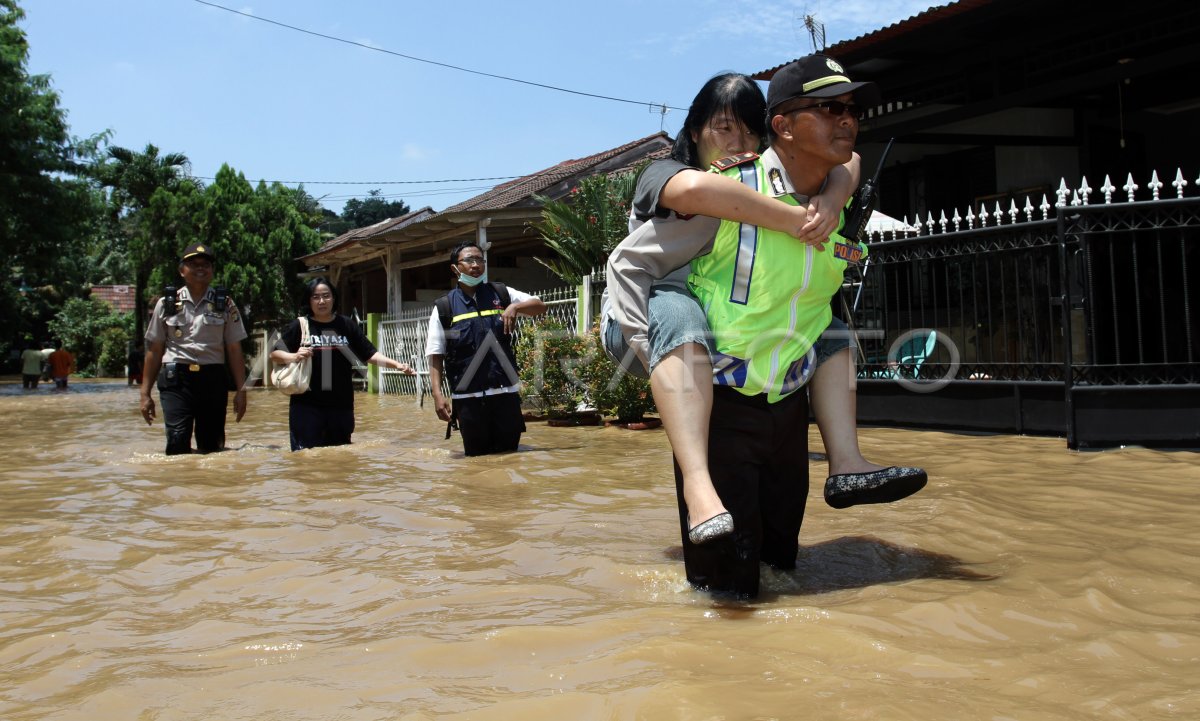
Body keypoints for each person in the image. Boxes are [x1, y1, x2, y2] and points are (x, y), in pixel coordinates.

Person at [608, 54, 926, 597]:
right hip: (699, 373)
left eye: (851, 110)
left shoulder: (836, 190)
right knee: (728, 594)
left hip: (785, 397)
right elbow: (644, 248)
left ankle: (846, 464)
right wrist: (800, 220)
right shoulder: (709, 192)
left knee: (782, 568)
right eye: (829, 109)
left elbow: (851, 165)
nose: (847, 120)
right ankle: (698, 486)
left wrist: (831, 200)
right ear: (785, 126)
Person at [425, 242, 546, 456]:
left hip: (506, 394)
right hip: (468, 399)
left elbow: (540, 306)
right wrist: (437, 394)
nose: (476, 265)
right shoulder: (444, 307)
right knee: (476, 461)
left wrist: (515, 306)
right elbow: (436, 353)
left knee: (510, 458)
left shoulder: (501, 293)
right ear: (455, 268)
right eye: (469, 260)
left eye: (480, 260)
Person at [270, 277, 416, 451]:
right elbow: (274, 354)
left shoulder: (346, 325)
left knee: (340, 457)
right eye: (316, 297)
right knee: (305, 457)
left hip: (341, 406)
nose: (322, 301)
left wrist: (397, 365)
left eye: (326, 296)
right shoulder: (300, 326)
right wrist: (293, 356)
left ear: (334, 298)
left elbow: (369, 354)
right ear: (309, 301)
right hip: (306, 407)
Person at [140, 243, 249, 455]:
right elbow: (155, 350)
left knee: (212, 447)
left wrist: (241, 391)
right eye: (193, 264)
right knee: (177, 440)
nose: (200, 268)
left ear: (212, 270)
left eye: (205, 264)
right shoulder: (166, 304)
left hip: (213, 380)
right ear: (182, 270)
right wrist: (145, 394)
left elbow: (234, 349)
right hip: (176, 380)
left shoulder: (225, 304)